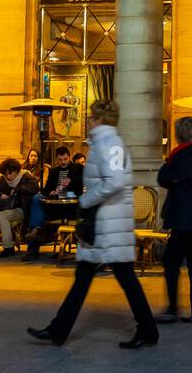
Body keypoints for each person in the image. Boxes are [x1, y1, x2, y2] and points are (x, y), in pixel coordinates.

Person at [27, 99, 158, 349]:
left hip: (107, 224)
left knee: (121, 277)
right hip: (104, 223)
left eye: (91, 116)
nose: (87, 120)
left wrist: (86, 199)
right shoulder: (104, 143)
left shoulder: (109, 144)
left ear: (100, 119)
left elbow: (116, 180)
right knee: (91, 277)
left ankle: (147, 330)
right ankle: (59, 329)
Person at [156, 116, 192, 324]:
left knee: (171, 260)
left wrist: (170, 162)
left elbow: (163, 177)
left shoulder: (181, 156)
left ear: (178, 135)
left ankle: (172, 307)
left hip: (185, 220)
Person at [23, 146, 84, 261]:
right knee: (37, 198)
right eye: (60, 160)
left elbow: (78, 190)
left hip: (71, 206)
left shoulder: (77, 169)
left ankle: (35, 233)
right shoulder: (53, 171)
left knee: (38, 214)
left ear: (69, 157)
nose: (63, 162)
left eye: (65, 159)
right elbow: (46, 190)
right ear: (56, 159)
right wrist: (50, 192)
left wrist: (61, 192)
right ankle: (35, 230)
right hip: (55, 206)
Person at [0, 158, 40, 257]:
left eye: (10, 173)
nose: (8, 177)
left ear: (16, 171)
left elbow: (35, 188)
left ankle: (8, 248)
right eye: (5, 174)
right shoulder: (5, 180)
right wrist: (1, 195)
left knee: (2, 216)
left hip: (21, 209)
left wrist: (17, 189)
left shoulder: (26, 176)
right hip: (6, 206)